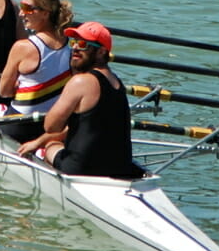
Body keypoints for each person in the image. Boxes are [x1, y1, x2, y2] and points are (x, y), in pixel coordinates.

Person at [19, 21, 146, 180]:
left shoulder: (81, 81)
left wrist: (40, 143)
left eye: (83, 44)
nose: (75, 48)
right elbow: (81, 127)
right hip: (121, 169)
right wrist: (37, 141)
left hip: (81, 169)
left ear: (101, 52)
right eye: (73, 42)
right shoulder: (116, 82)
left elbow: (51, 126)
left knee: (52, 146)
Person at [0, 0, 73, 141]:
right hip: (50, 129)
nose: (21, 13)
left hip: (19, 126)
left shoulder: (23, 47)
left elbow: (4, 91)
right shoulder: (72, 47)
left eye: (27, 8)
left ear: (45, 13)